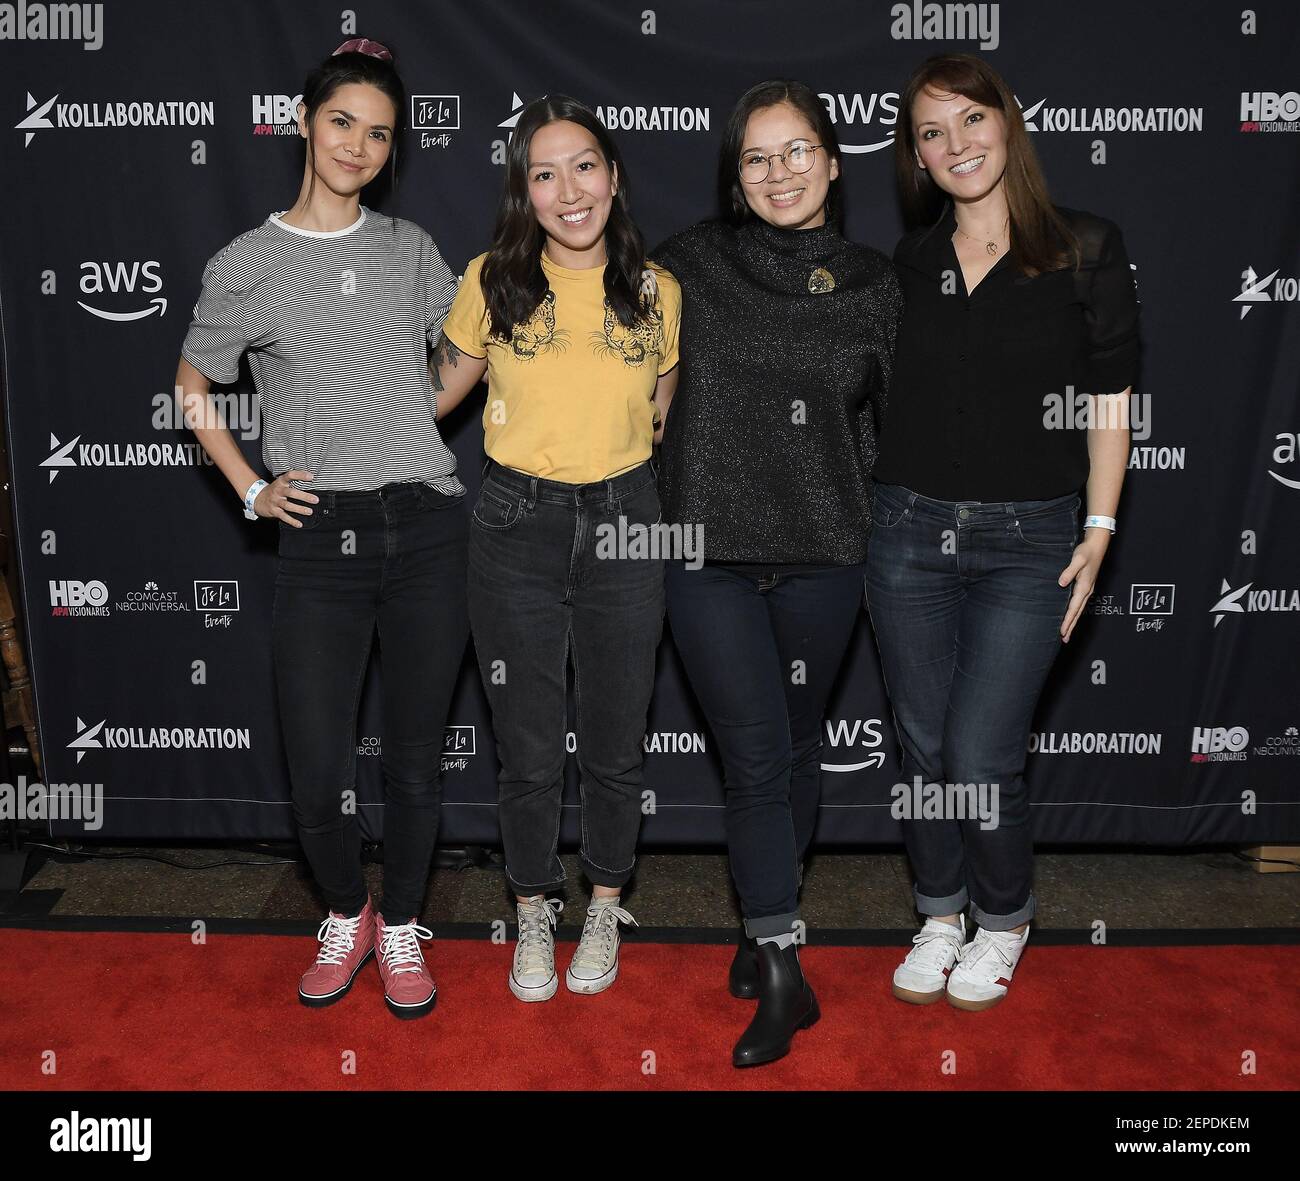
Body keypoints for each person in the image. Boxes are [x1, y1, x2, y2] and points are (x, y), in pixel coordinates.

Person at [175, 38, 467, 1020]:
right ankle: (349, 911)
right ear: (304, 122)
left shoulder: (409, 248)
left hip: (425, 527)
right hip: (317, 536)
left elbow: (462, 353)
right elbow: (191, 388)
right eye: (342, 121)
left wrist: (415, 412)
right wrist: (251, 489)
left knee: (417, 759)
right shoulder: (245, 263)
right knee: (316, 770)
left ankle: (411, 921)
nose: (358, 144)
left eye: (379, 133)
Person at [868, 53, 1139, 1011]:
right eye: (932, 133)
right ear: (917, 157)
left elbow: (1111, 398)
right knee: (922, 741)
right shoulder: (911, 261)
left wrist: (1100, 527)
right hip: (907, 530)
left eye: (971, 121)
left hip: (1035, 540)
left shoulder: (1087, 248)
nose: (956, 145)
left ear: (1008, 123)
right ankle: (939, 913)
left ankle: (1004, 918)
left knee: (983, 752)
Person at [651, 80, 901, 1067]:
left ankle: (762, 926)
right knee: (756, 756)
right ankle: (787, 971)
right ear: (735, 175)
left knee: (796, 748)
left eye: (797, 151)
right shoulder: (685, 264)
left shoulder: (877, 285)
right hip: (704, 554)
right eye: (757, 157)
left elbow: (894, 428)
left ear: (834, 163)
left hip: (826, 557)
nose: (778, 172)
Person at [430, 95, 680, 1002]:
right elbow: (429, 403)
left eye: (584, 166)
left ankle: (605, 902)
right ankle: (534, 908)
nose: (568, 190)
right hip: (513, 523)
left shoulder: (659, 291)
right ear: (523, 192)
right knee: (528, 746)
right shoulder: (490, 281)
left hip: (626, 517)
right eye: (544, 173)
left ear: (614, 177)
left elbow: (659, 411)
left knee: (616, 739)